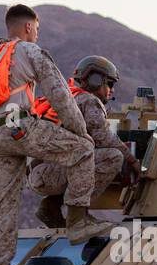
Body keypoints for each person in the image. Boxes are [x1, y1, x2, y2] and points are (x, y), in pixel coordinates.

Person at [0, 4, 112, 265]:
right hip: (17, 126)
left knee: (2, 206)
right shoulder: (30, 52)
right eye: (37, 29)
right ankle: (77, 221)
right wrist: (79, 132)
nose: (37, 34)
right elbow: (60, 95)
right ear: (27, 28)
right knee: (83, 150)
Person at [29, 55, 142, 228]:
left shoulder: (63, 98)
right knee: (112, 157)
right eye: (109, 84)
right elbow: (104, 137)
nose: (111, 90)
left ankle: (50, 206)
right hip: (52, 172)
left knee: (82, 154)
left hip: (38, 173)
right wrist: (131, 159)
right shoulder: (88, 100)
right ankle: (80, 216)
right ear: (96, 80)